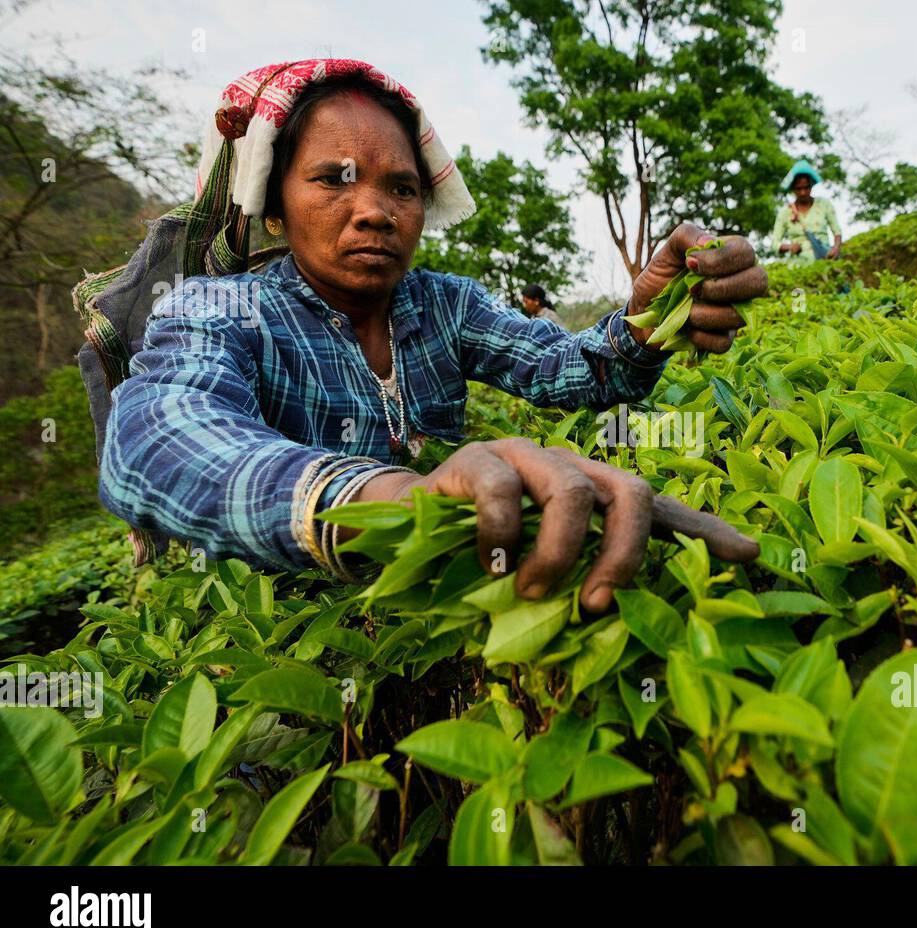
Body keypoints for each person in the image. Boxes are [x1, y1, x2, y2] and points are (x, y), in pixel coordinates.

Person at [90, 59, 765, 614]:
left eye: (404, 189)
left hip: (419, 612)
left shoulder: (446, 305)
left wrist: (650, 321)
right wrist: (383, 500)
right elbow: (152, 438)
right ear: (273, 206)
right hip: (277, 638)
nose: (376, 212)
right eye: (333, 180)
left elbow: (574, 371)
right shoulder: (220, 308)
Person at [769, 159, 842, 263]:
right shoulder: (785, 213)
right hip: (798, 264)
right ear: (793, 189)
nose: (803, 192)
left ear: (811, 185)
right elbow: (775, 243)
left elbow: (837, 231)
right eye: (798, 188)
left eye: (806, 187)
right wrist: (790, 247)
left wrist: (836, 248)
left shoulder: (824, 204)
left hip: (824, 257)